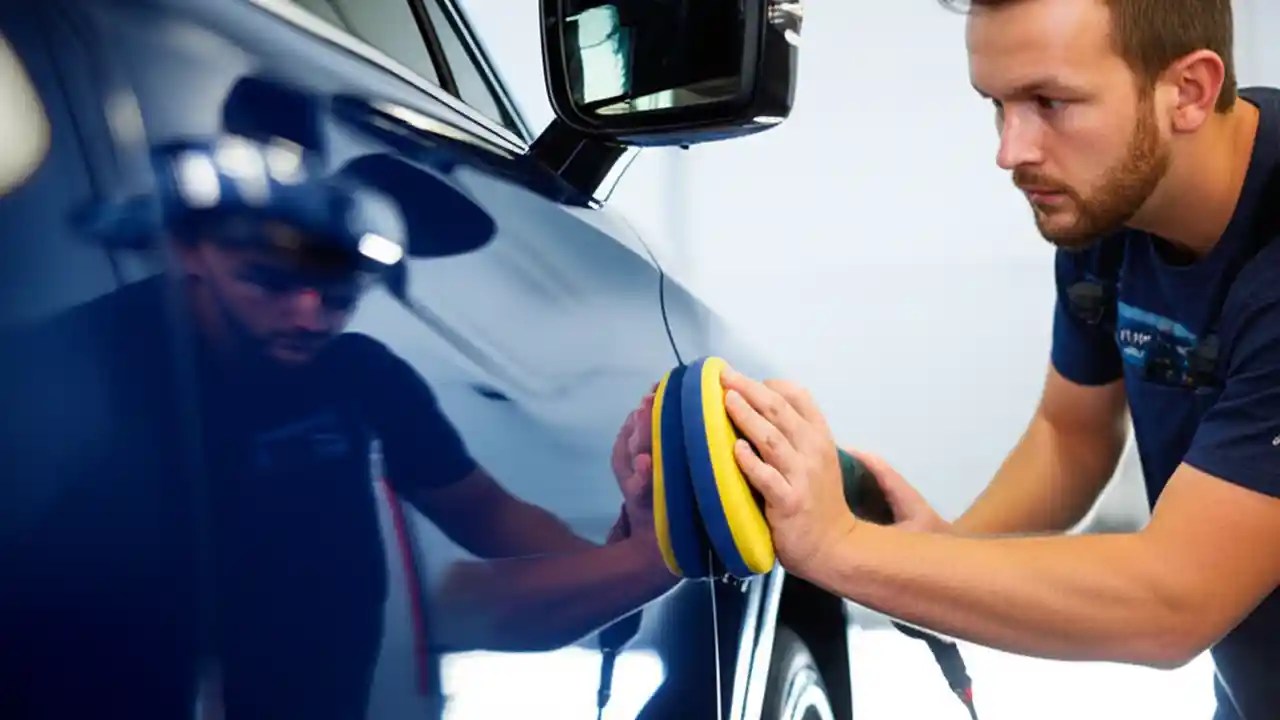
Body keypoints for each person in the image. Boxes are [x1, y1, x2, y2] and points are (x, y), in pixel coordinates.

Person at [708, 1, 1280, 718]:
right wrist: (940, 558)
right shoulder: (1110, 202)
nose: (1011, 152)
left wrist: (843, 548)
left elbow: (1173, 601)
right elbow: (1071, 437)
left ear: (1189, 91)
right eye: (998, 104)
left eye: (1051, 102)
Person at [0, 135, 672, 720]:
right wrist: (643, 563)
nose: (309, 316)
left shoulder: (357, 374)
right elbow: (463, 605)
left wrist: (618, 562)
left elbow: (492, 520)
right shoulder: (73, 372)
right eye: (268, 280)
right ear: (189, 249)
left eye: (341, 292)